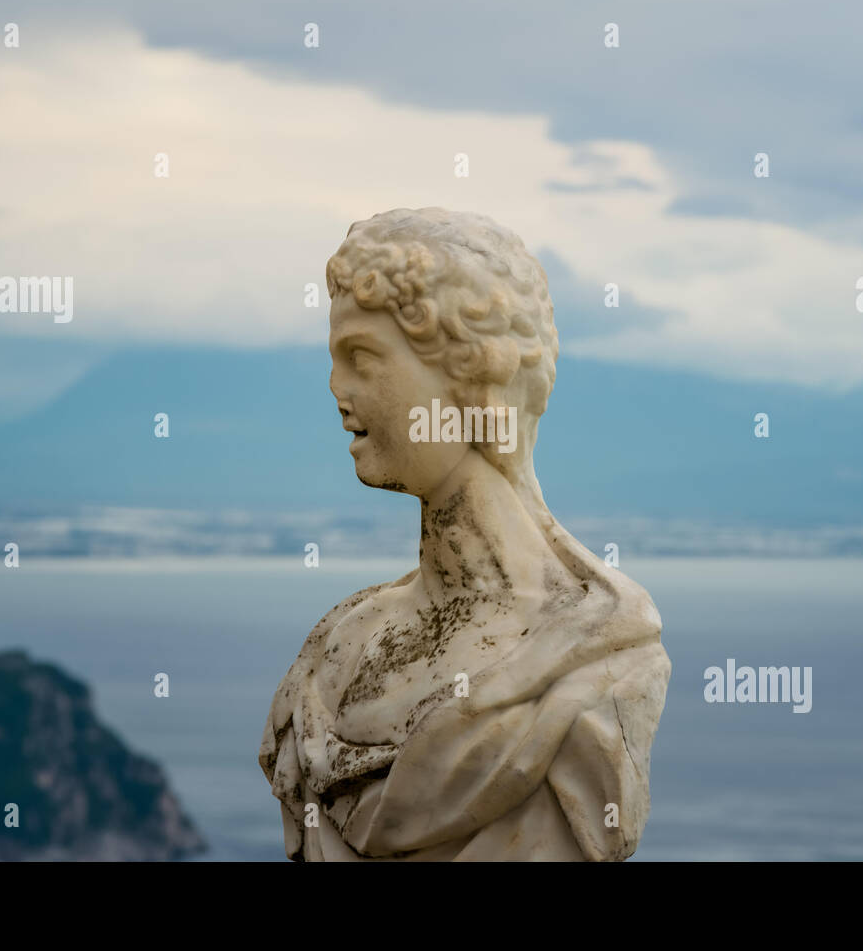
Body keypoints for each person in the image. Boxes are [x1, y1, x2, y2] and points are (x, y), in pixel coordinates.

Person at [260, 207, 670, 860]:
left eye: (362, 358)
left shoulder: (600, 660)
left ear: (470, 374)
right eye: (335, 359)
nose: (337, 389)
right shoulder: (339, 644)